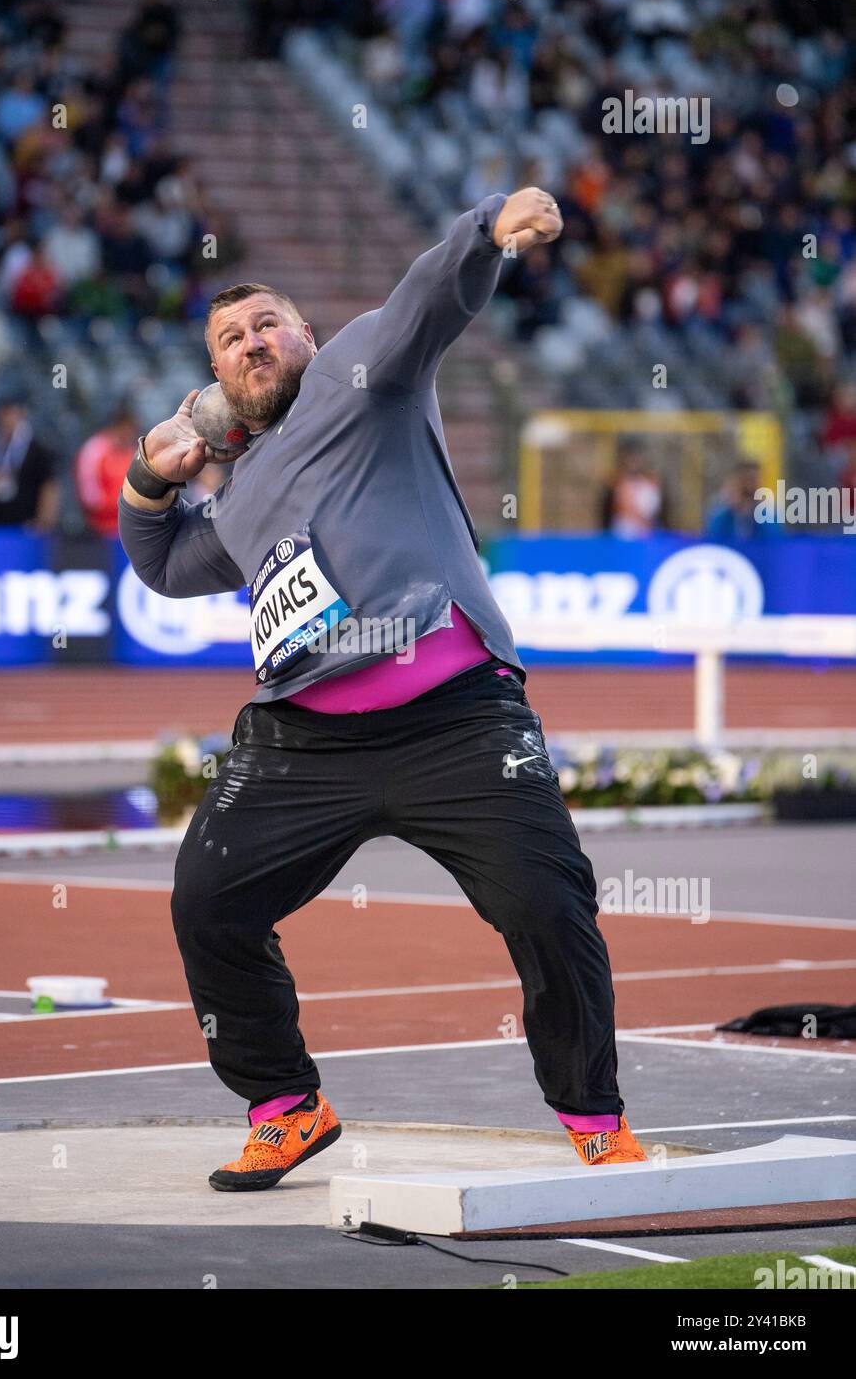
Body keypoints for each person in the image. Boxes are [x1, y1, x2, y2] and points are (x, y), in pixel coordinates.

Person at [118, 187, 648, 1191]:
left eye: (266, 322)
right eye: (228, 338)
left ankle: (591, 1116)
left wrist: (488, 228)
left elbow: (426, 299)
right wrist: (150, 476)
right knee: (207, 901)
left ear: (307, 335)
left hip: (456, 719)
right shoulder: (232, 504)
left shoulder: (365, 374)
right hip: (300, 742)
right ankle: (286, 1105)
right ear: (216, 380)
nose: (249, 340)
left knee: (546, 901)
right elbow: (160, 562)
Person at [0, 396, 59, 530]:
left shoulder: (37, 449)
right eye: (3, 414)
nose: (7, 420)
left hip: (28, 525)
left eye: (11, 414)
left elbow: (49, 485)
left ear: (21, 415)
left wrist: (43, 521)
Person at [75, 402, 138, 537]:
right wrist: (125, 505)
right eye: (127, 429)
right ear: (117, 426)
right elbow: (90, 497)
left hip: (131, 529)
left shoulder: (133, 452)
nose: (130, 435)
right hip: (101, 531)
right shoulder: (94, 450)